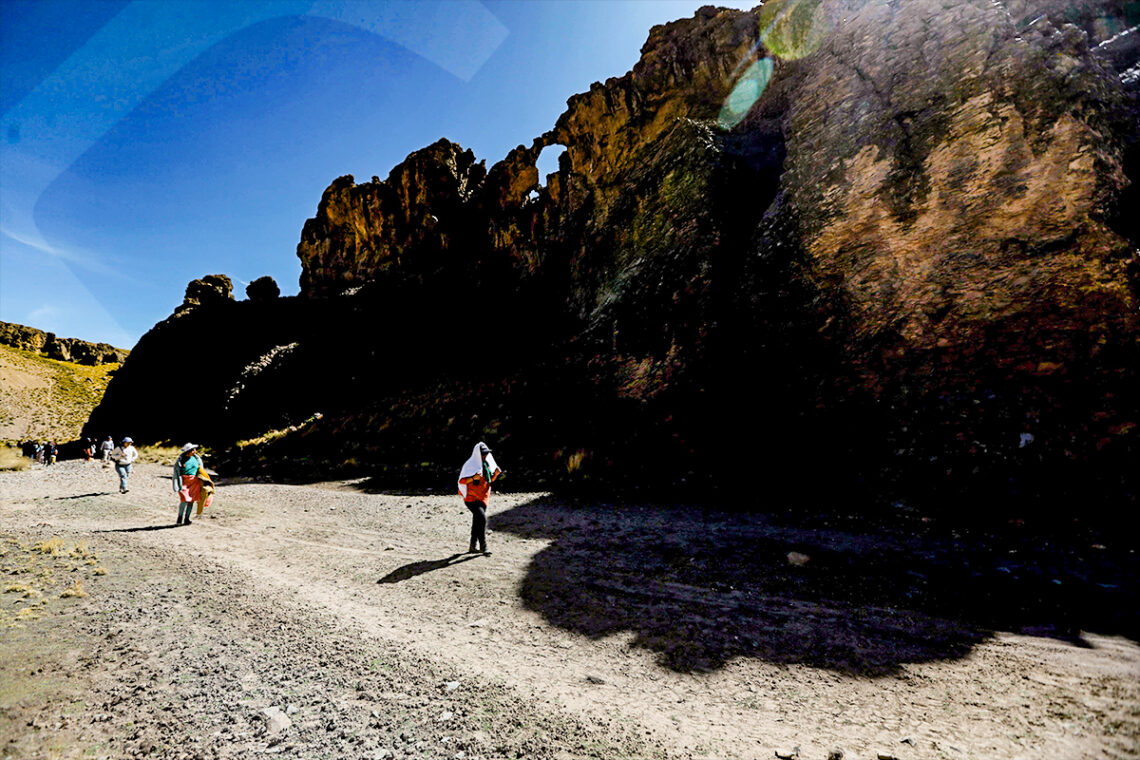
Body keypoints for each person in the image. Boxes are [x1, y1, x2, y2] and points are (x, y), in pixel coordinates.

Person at [457, 442, 502, 555]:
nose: (485, 455)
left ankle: (472, 546)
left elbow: (489, 480)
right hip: (471, 498)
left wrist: (495, 474)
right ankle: (484, 546)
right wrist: (473, 478)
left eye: (487, 453)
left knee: (477, 521)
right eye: (483, 454)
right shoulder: (470, 465)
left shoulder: (486, 465)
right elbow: (461, 481)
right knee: (482, 519)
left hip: (483, 498)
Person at [172, 443, 203, 525]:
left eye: (195, 449)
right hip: (184, 482)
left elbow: (200, 470)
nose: (195, 451)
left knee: (191, 501)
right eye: (193, 450)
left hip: (194, 482)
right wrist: (176, 484)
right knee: (184, 500)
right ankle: (180, 517)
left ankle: (187, 519)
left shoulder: (196, 459)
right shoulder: (181, 460)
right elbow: (176, 472)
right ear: (188, 451)